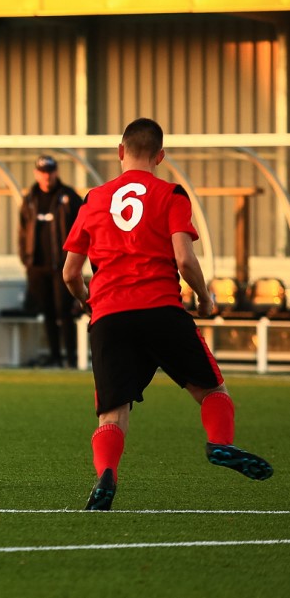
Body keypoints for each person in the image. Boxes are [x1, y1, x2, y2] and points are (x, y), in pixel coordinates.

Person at [62, 117, 273, 511]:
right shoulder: (171, 194)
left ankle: (106, 474)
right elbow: (185, 259)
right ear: (160, 156)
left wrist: (87, 301)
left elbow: (70, 273)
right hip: (161, 309)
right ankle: (220, 443)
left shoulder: (93, 199)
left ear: (120, 151)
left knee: (112, 414)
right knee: (211, 390)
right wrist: (205, 298)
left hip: (109, 315)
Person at [18, 154, 83, 368]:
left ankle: (71, 357)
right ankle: (55, 356)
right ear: (36, 174)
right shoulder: (30, 199)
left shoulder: (68, 197)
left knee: (64, 311)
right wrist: (26, 259)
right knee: (47, 311)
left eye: (50, 172)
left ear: (56, 172)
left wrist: (75, 260)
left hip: (62, 266)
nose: (47, 176)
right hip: (38, 266)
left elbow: (82, 228)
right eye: (43, 172)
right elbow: (22, 231)